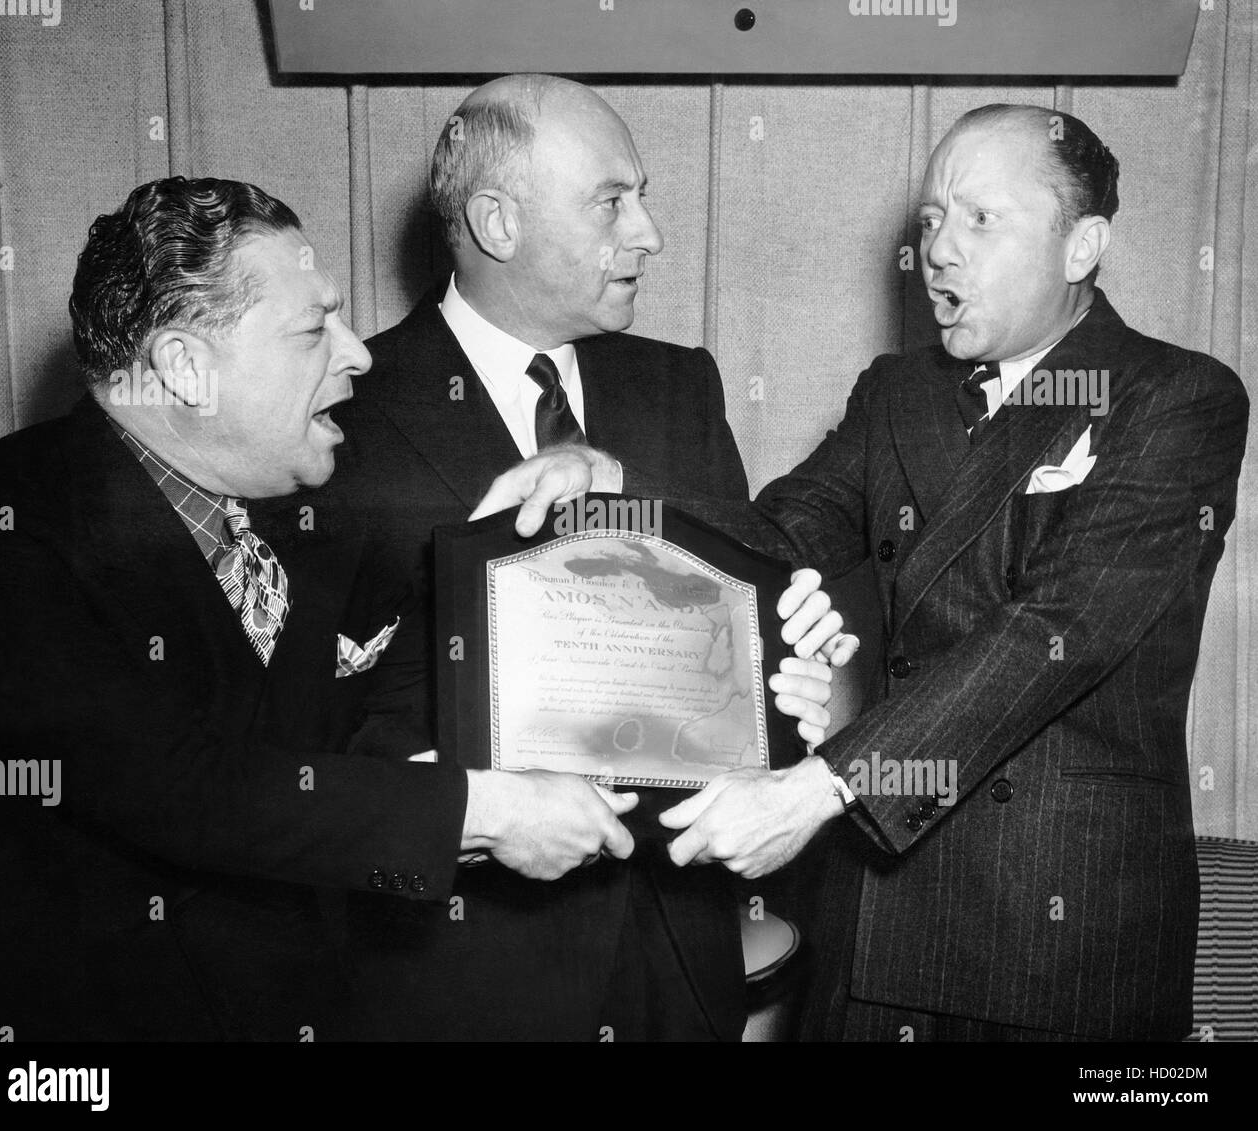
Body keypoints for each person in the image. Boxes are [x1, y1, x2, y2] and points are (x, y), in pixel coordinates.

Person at [477, 104, 1249, 1041]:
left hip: (1058, 922)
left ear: (1082, 245)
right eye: (930, 221)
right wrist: (617, 490)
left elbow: (1059, 632)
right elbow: (777, 539)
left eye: (978, 220)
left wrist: (816, 790)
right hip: (876, 911)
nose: (939, 251)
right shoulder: (897, 391)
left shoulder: (1178, 395)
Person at [0, 175, 699, 1040]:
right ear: (184, 369)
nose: (360, 353)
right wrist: (487, 813)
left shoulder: (306, 504)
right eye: (315, 330)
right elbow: (189, 787)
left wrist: (535, 522)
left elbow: (388, 701)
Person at [329, 73, 856, 1041]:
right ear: (496, 221)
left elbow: (737, 641)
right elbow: (308, 729)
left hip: (675, 956)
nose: (648, 232)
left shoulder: (678, 384)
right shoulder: (344, 411)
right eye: (612, 202)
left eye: (642, 197)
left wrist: (798, 687)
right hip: (454, 974)